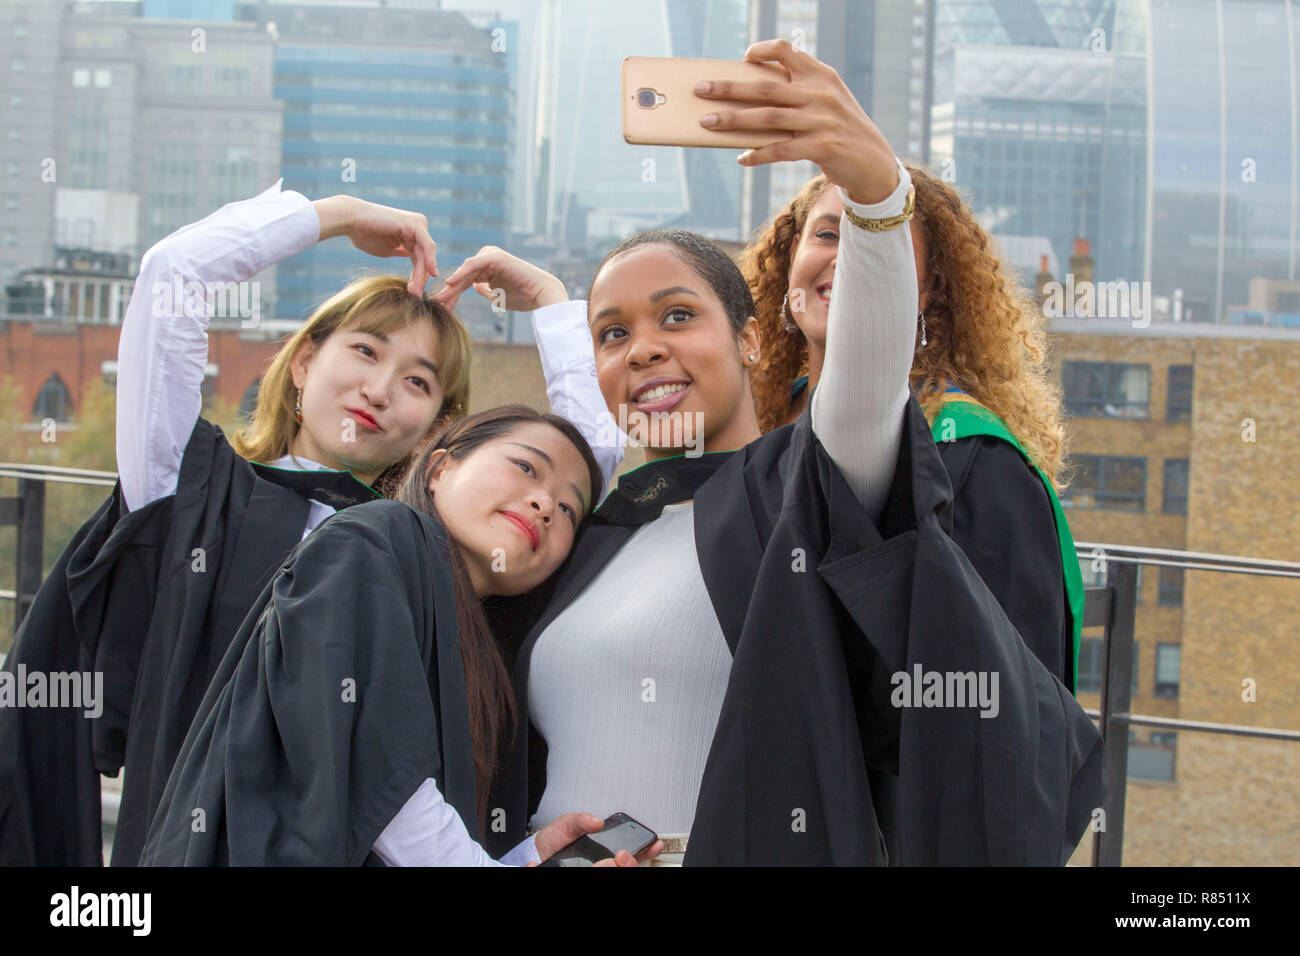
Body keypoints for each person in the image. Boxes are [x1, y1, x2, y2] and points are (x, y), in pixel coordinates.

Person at [439, 41, 1102, 865]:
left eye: (678, 316)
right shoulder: (601, 523)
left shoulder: (805, 489)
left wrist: (875, 195)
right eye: (613, 333)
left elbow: (862, 385)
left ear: (752, 337)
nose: (643, 349)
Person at [0, 185, 618, 866]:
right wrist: (339, 216)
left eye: (418, 382)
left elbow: (573, 477)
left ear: (434, 438)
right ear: (301, 363)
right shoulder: (200, 499)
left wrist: (552, 303)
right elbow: (173, 278)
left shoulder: (422, 556)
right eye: (364, 351)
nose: (380, 390)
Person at [140, 405, 662, 866]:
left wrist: (528, 855)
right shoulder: (374, 536)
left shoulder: (486, 649)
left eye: (568, 508)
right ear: (439, 467)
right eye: (525, 467)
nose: (545, 505)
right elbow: (375, 764)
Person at [743, 163, 1083, 690]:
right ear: (791, 261)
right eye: (828, 233)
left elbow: (1011, 686)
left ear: (925, 291)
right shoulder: (759, 418)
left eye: (882, 241)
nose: (849, 257)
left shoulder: (977, 458)